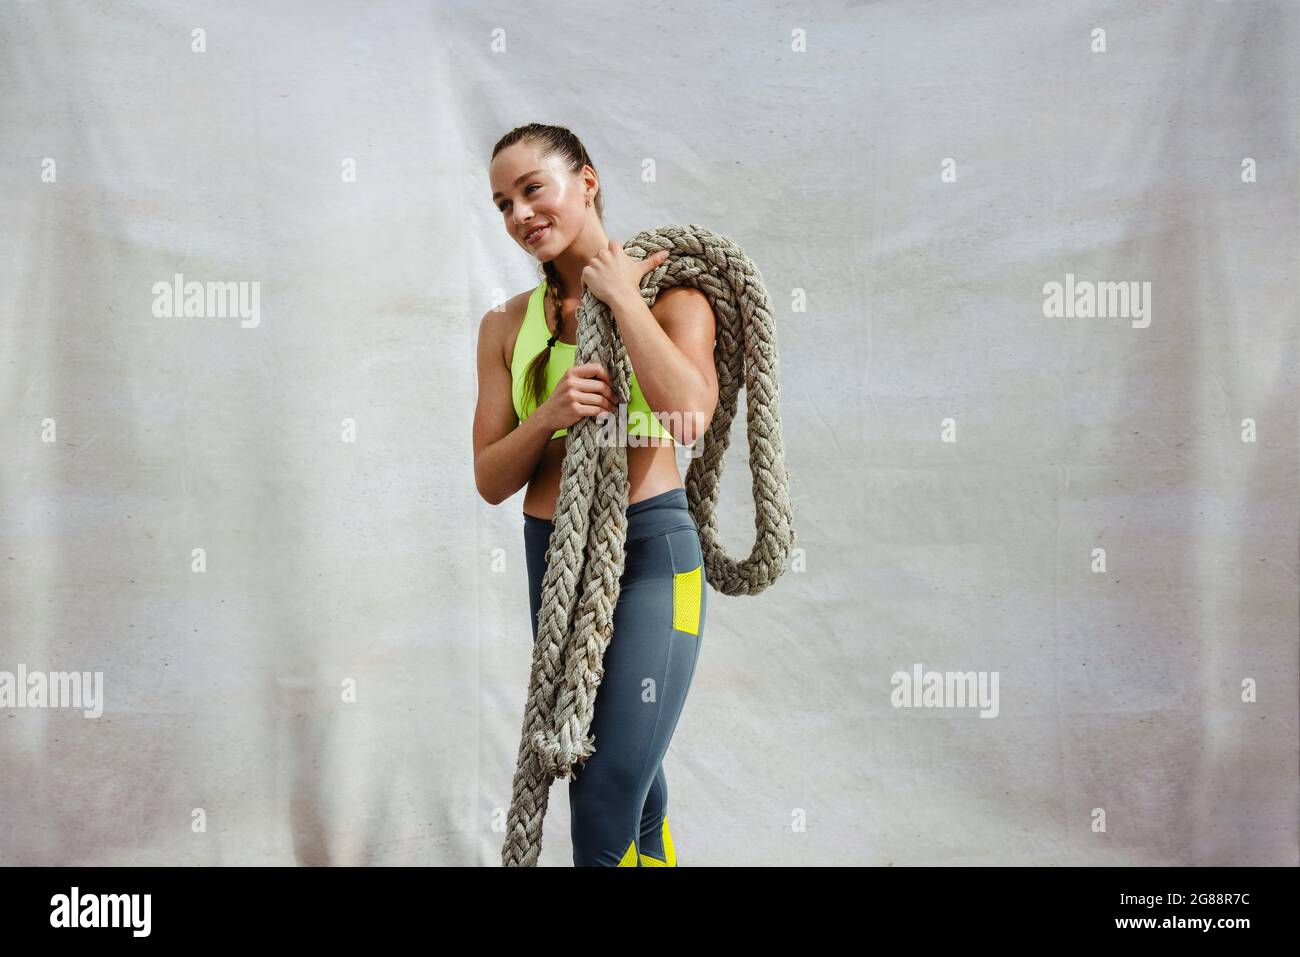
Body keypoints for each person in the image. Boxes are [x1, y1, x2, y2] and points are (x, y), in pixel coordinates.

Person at [475, 123, 719, 866]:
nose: (520, 215)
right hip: (554, 562)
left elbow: (689, 417)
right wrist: (549, 414)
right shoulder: (505, 324)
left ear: (587, 181)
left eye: (533, 189)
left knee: (605, 790)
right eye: (503, 203)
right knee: (630, 787)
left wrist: (621, 297)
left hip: (653, 556)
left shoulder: (674, 295)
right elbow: (490, 477)